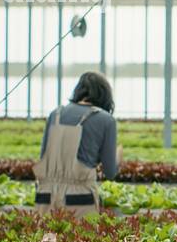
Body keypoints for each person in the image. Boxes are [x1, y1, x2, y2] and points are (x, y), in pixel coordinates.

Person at [32, 71, 122, 217]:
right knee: (79, 237)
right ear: (105, 95)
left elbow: (44, 158)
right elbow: (110, 172)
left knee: (47, 238)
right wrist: (117, 157)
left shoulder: (55, 114)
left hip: (46, 196)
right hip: (80, 199)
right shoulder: (106, 120)